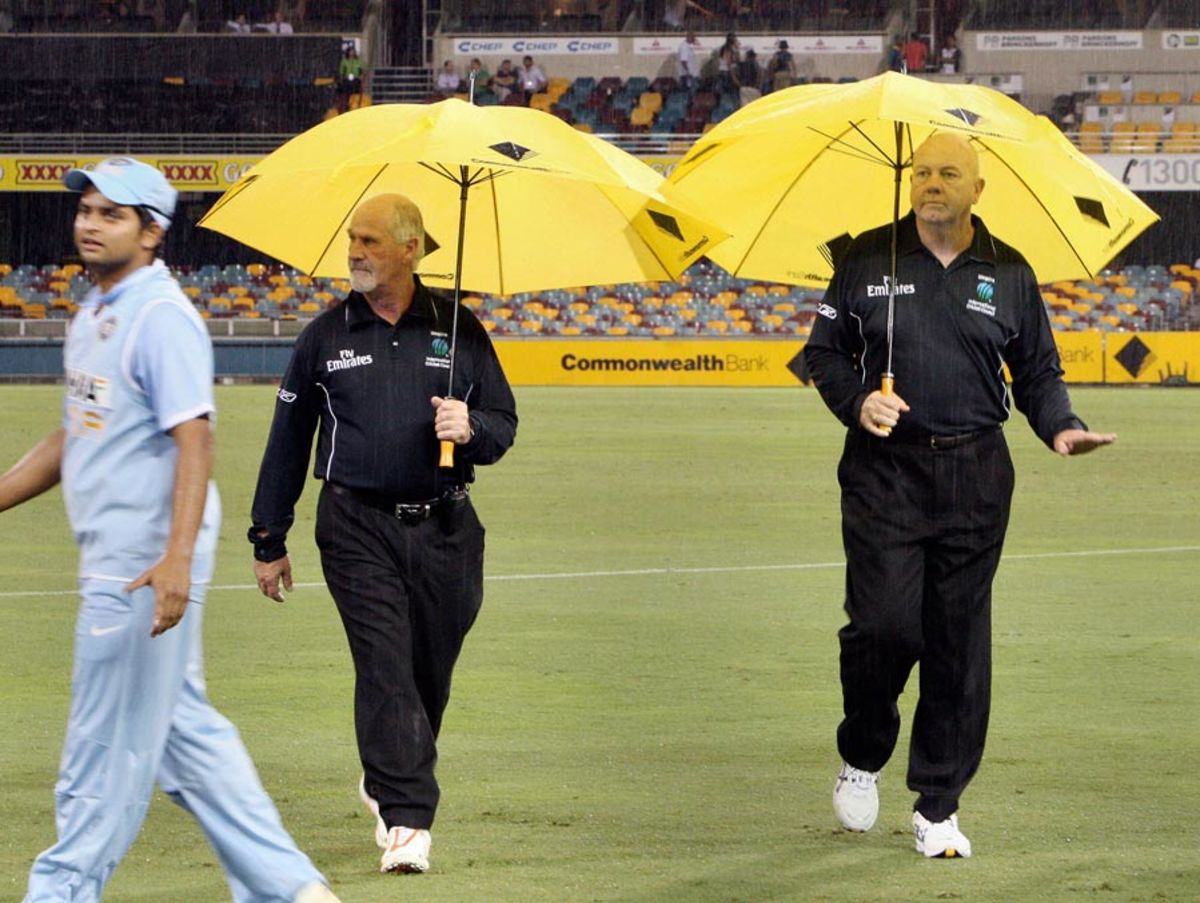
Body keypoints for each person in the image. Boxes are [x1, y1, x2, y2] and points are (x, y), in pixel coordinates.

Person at [0, 157, 340, 903]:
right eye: (85, 209)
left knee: (100, 751)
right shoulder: (94, 311)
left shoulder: (161, 318)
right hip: (124, 558)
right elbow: (74, 433)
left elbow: (196, 438)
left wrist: (176, 561)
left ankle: (57, 893)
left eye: (111, 214)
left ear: (151, 232)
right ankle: (293, 890)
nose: (89, 223)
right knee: (188, 744)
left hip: (138, 565)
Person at [803, 133, 1116, 860]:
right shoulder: (865, 259)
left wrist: (1061, 425)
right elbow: (821, 354)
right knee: (884, 625)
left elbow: (1036, 369)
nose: (931, 183)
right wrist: (858, 403)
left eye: (949, 173)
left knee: (958, 642)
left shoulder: (1009, 272)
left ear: (979, 189)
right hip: (884, 472)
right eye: (923, 172)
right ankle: (865, 747)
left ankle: (938, 804)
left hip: (977, 473)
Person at [247, 193, 518, 875]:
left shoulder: (460, 330)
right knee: (386, 665)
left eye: (370, 241)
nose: (356, 253)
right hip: (353, 525)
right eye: (353, 240)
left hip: (447, 526)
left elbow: (504, 423)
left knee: (429, 671)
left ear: (411, 248)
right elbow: (287, 440)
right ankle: (407, 819)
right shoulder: (324, 336)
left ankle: (385, 772)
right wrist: (267, 536)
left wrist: (471, 427)